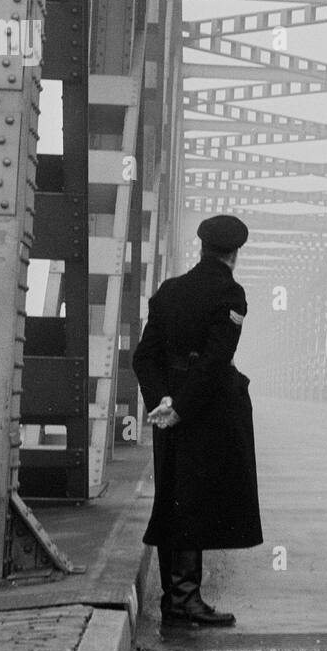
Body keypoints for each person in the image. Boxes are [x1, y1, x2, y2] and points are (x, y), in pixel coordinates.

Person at [132, 214, 263, 627]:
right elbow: (213, 362)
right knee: (195, 500)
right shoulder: (230, 294)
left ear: (202, 248)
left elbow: (143, 357)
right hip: (205, 411)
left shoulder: (168, 291)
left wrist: (162, 401)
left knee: (172, 495)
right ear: (234, 254)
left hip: (168, 408)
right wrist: (183, 408)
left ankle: (178, 597)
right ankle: (185, 599)